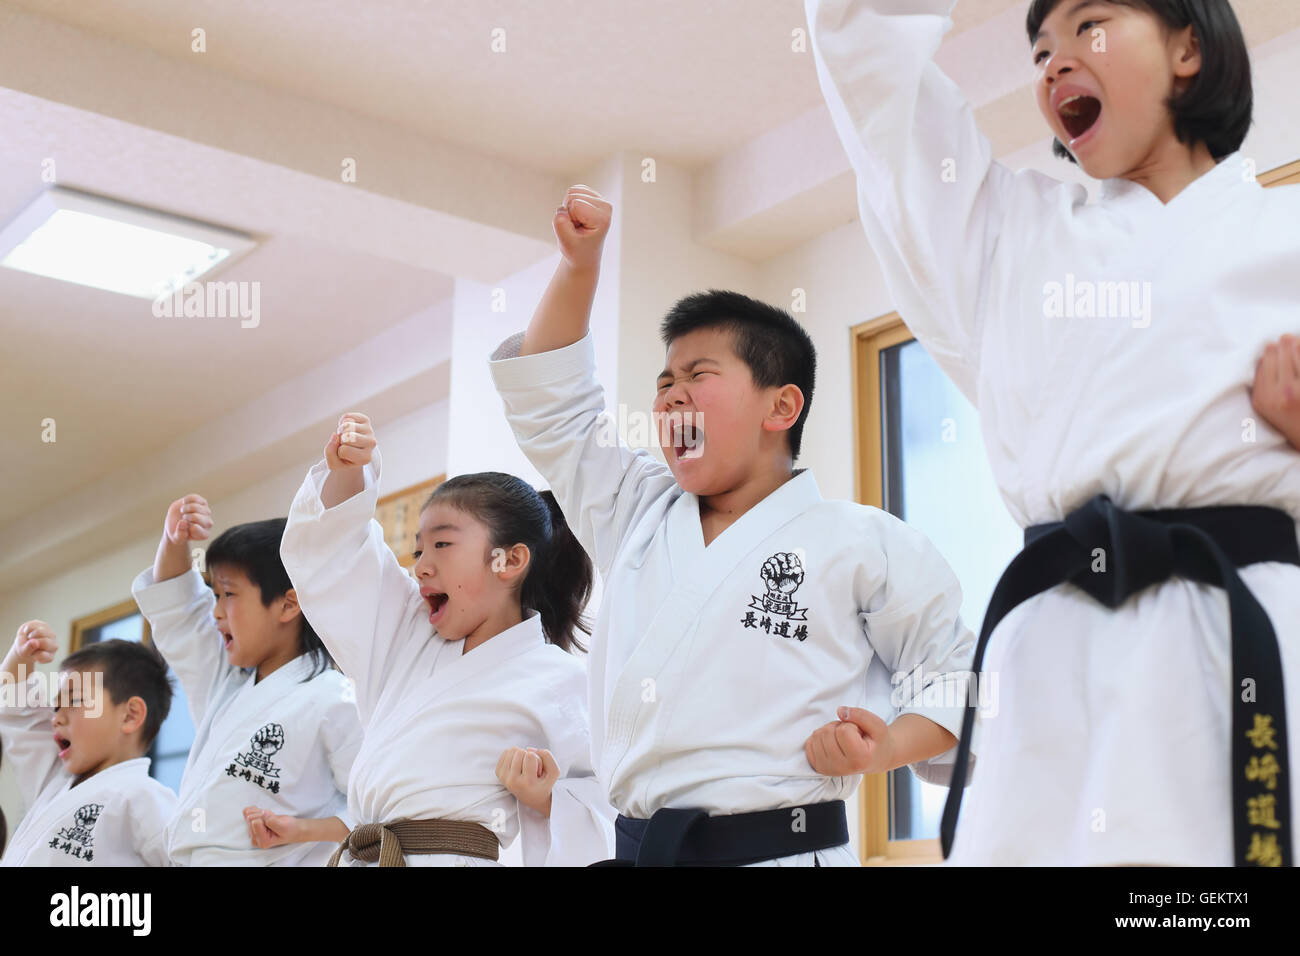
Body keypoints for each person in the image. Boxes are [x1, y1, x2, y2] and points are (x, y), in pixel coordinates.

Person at [805, 0, 1300, 865]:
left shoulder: (1285, 238)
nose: (1053, 62)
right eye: (1040, 48)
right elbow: (872, 66)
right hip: (1054, 653)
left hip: (1245, 639)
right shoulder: (1007, 238)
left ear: (1189, 47)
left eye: (1088, 28)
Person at [488, 184, 977, 866]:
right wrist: (579, 267)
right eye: (664, 383)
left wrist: (888, 745)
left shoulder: (862, 544)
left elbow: (956, 677)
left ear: (781, 406)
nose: (672, 393)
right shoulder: (634, 511)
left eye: (699, 374)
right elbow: (555, 411)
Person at [278, 413, 615, 866]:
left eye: (442, 545)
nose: (420, 566)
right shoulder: (404, 632)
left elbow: (612, 806)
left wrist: (548, 798)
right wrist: (347, 474)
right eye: (418, 549)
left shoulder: (558, 679)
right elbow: (336, 558)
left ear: (509, 560)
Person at [131, 502, 361, 865]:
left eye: (229, 595)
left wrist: (304, 830)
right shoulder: (226, 683)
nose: (216, 611)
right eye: (215, 595)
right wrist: (174, 541)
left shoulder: (334, 698)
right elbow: (179, 613)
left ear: (288, 606)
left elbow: (376, 810)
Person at [0, 625, 176, 866]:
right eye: (56, 707)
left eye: (74, 701)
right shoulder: (54, 780)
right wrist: (20, 657)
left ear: (130, 715)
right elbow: (19, 709)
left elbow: (190, 860)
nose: (56, 718)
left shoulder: (144, 797)